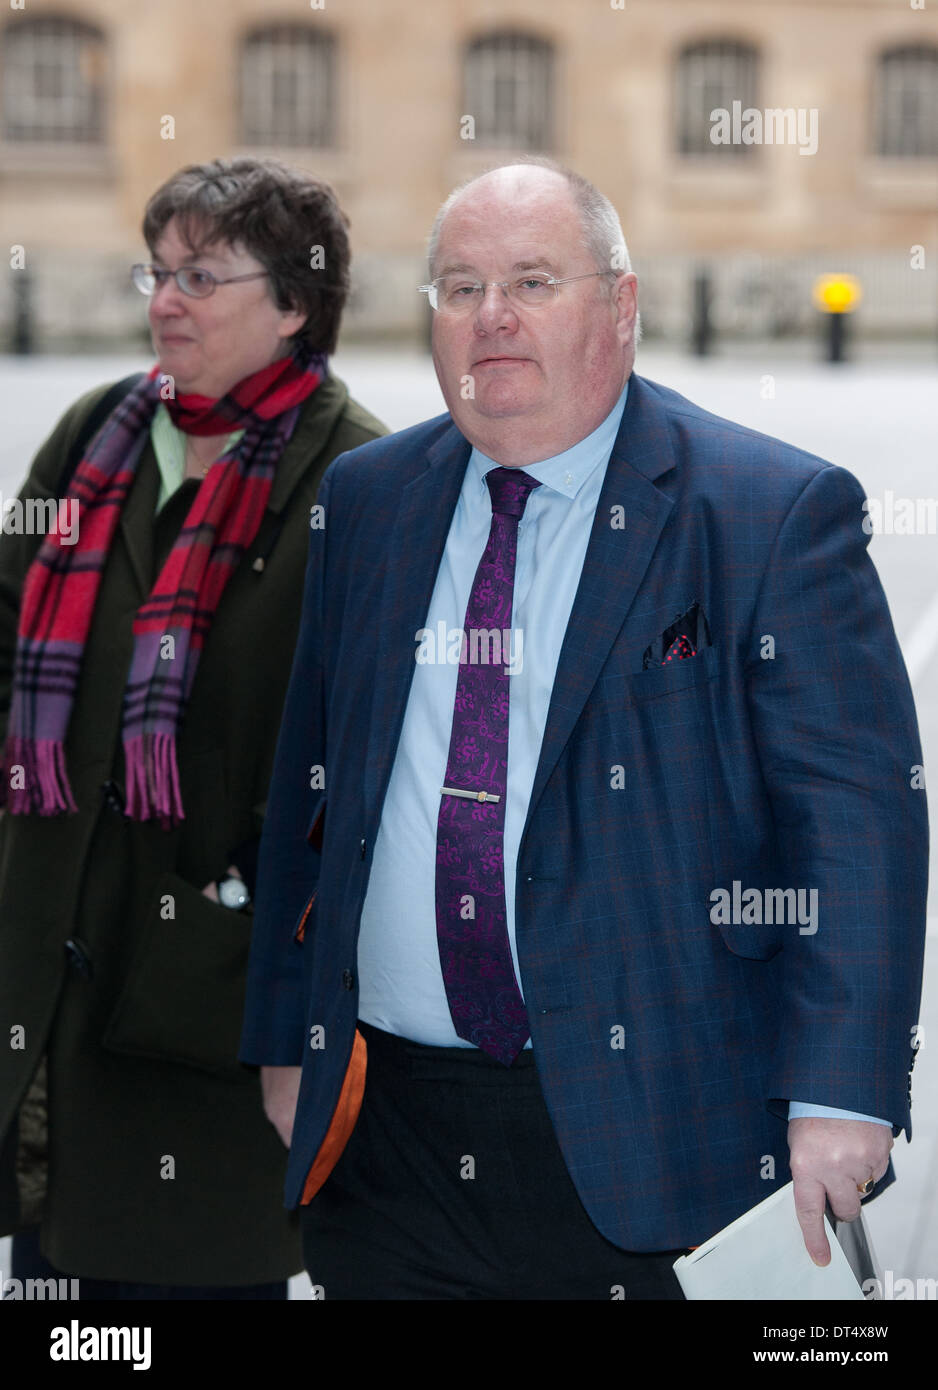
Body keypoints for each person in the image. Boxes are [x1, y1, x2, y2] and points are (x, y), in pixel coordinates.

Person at [239, 158, 928, 1300]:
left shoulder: (768, 513)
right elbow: (308, 794)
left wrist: (840, 1092)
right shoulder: (366, 501)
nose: (490, 317)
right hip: (391, 1140)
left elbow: (855, 829)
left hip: (655, 1131)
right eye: (458, 288)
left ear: (621, 305)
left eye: (531, 280)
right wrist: (278, 1038)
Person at [0, 156, 386, 1298]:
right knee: (55, 1281)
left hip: (209, 995)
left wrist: (250, 928)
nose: (164, 300)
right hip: (46, 965)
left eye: (202, 276)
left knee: (185, 1276)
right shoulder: (98, 432)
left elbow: (357, 763)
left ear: (293, 304)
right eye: (158, 271)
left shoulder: (358, 474)